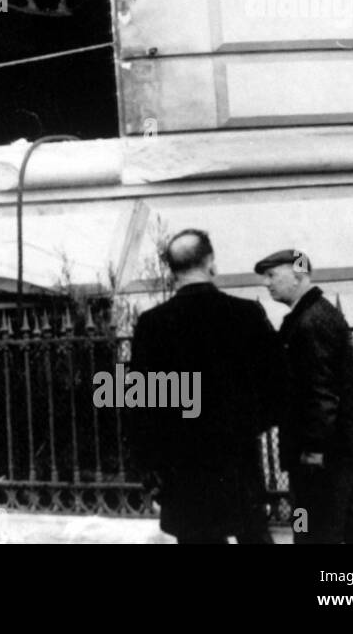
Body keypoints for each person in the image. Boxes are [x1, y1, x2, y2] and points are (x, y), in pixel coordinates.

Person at [129, 229, 285, 544]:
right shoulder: (246, 315)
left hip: (182, 467)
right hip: (237, 459)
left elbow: (139, 405)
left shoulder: (152, 324)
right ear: (211, 263)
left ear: (172, 270)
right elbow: (279, 386)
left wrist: (149, 462)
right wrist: (249, 424)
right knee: (253, 536)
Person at [255, 249, 353, 545]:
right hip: (338, 447)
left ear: (298, 274)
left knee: (314, 530)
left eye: (273, 274)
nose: (266, 283)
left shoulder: (311, 321)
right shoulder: (311, 315)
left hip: (323, 452)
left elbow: (321, 392)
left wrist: (314, 449)